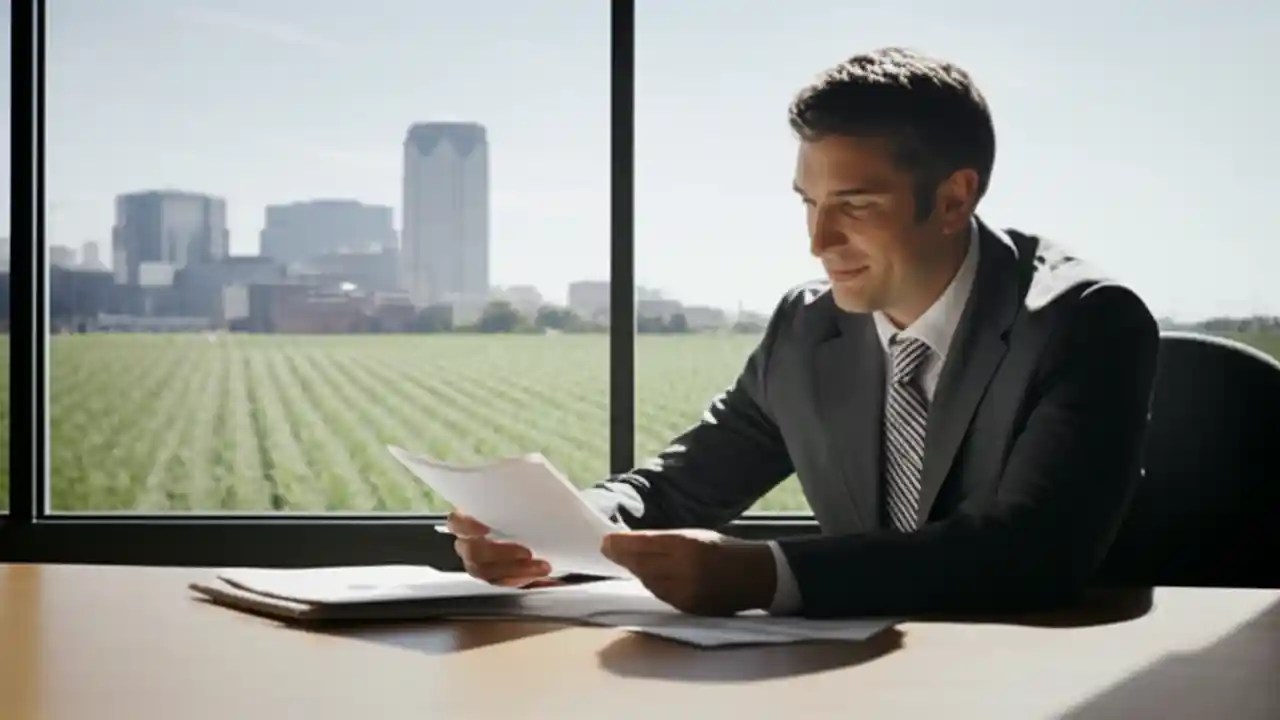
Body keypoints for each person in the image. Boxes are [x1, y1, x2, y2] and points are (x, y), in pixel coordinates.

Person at [448, 47, 1159, 618]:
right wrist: (552, 536)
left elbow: (1032, 555)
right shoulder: (806, 328)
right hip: (854, 684)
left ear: (952, 199)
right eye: (809, 203)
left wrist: (769, 575)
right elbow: (678, 489)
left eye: (854, 204)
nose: (818, 240)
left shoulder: (1084, 322)